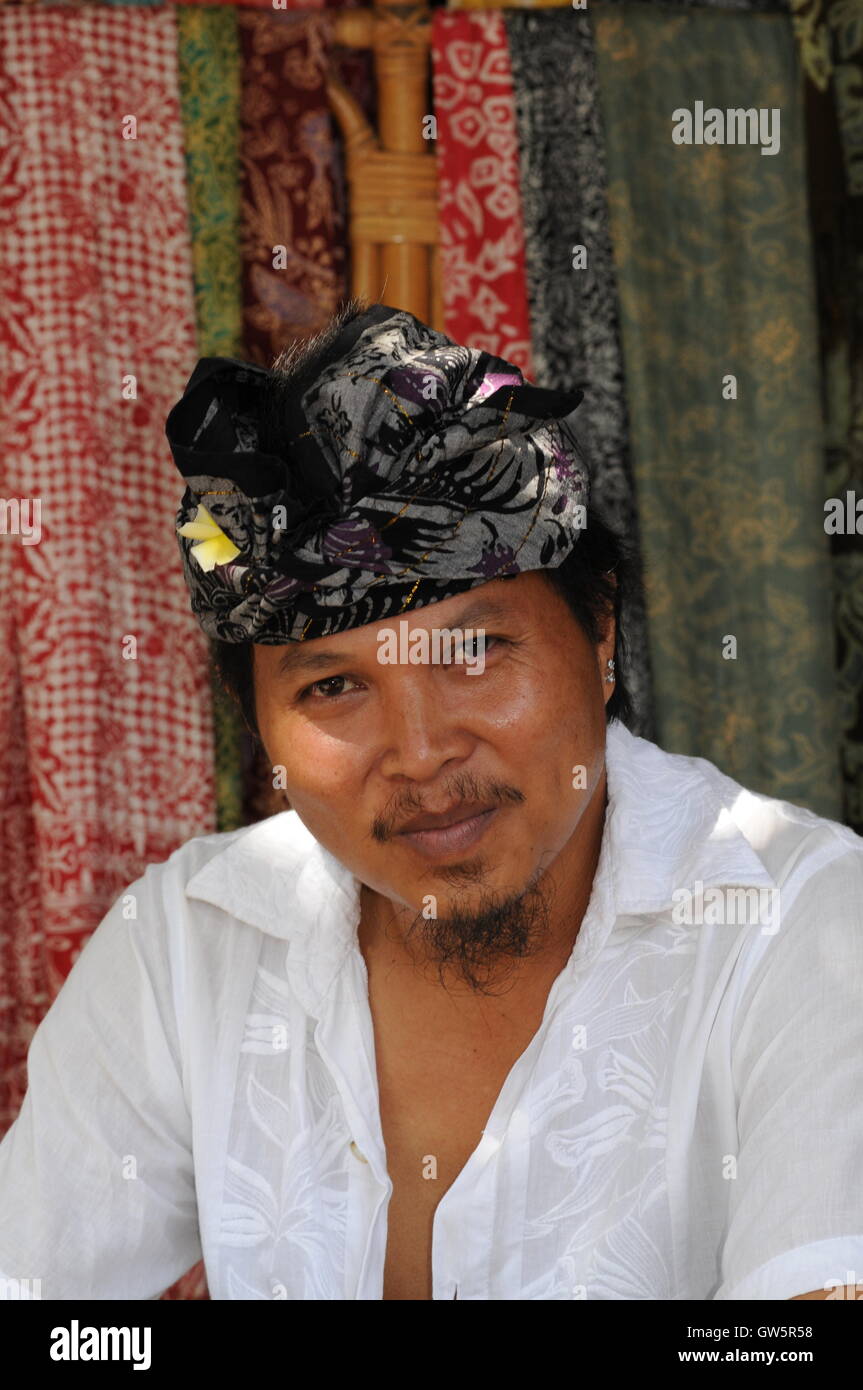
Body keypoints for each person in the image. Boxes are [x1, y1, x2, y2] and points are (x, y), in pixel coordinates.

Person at [1, 299, 862, 1302]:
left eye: (473, 651)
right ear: (262, 727)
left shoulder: (799, 925)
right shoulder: (186, 948)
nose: (419, 753)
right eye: (333, 686)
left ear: (599, 631)